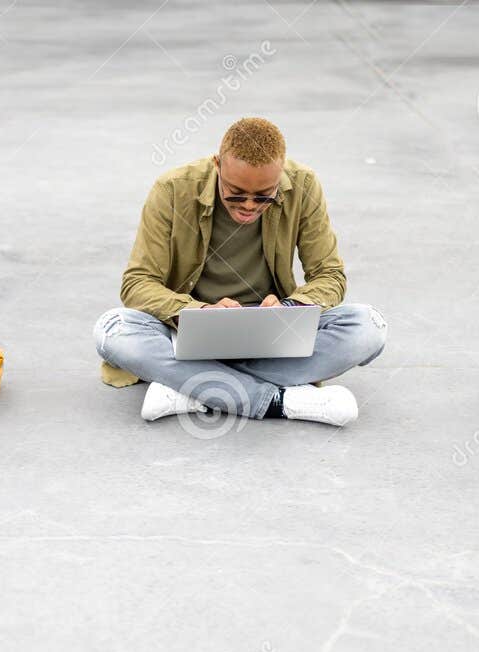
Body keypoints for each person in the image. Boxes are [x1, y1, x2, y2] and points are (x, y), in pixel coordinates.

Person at [93, 116, 386, 427]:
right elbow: (138, 283)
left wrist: (290, 307)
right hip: (185, 335)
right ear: (218, 165)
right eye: (235, 193)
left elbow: (330, 275)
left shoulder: (304, 185)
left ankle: (192, 390)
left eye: (264, 196)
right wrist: (199, 312)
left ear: (281, 174)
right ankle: (282, 401)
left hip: (274, 337)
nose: (248, 205)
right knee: (112, 329)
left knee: (369, 326)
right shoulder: (173, 189)